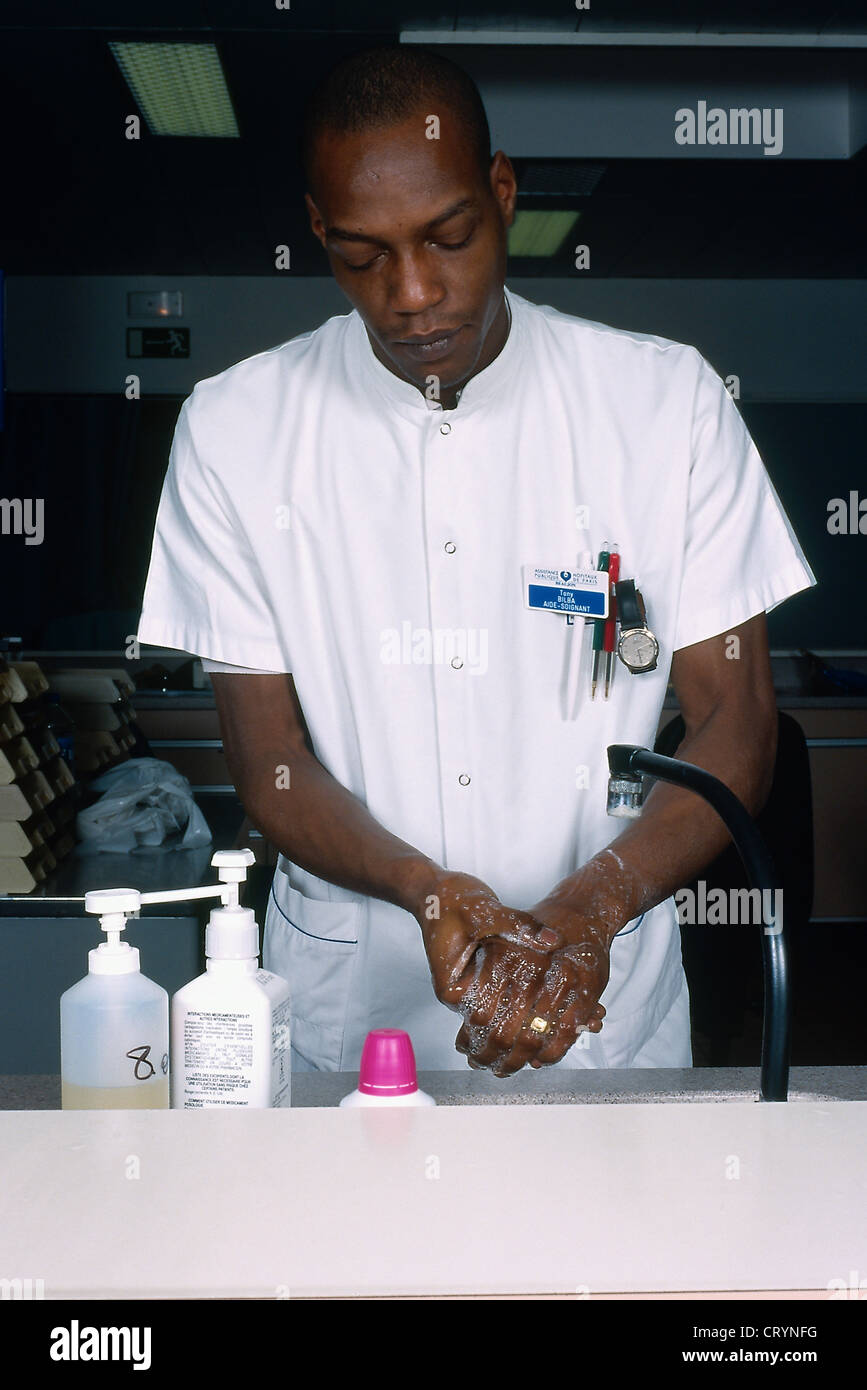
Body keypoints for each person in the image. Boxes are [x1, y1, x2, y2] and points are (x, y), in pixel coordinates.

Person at [137, 46, 816, 1078]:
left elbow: (738, 721)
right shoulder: (236, 429)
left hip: (604, 1014)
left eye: (448, 236)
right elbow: (268, 758)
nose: (412, 293)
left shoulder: (662, 406)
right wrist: (420, 884)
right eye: (363, 255)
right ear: (318, 234)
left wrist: (593, 907)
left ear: (501, 195)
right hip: (352, 1005)